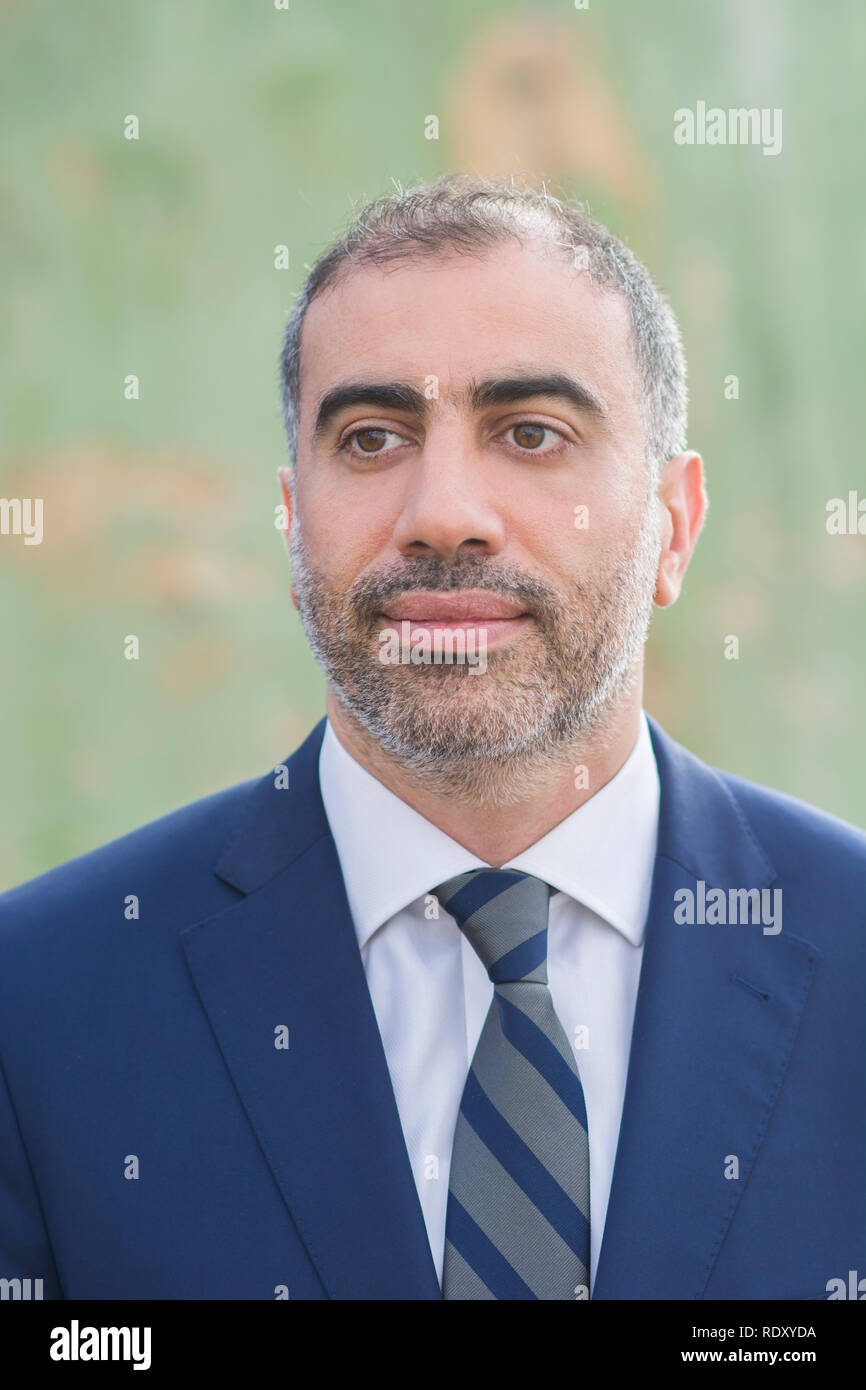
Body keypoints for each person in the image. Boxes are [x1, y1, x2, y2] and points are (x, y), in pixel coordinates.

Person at [1, 175, 863, 1301]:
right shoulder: (40, 1003)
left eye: (530, 432)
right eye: (369, 438)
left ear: (672, 524)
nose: (441, 510)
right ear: (292, 518)